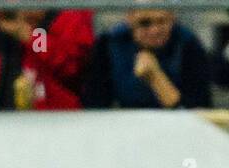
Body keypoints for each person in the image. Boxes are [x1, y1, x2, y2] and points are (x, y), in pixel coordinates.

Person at [82, 7, 213, 109]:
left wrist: (156, 79)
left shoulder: (187, 44)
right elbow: (95, 105)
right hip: (126, 126)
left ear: (172, 18)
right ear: (130, 19)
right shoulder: (109, 43)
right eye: (145, 23)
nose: (154, 30)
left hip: (176, 128)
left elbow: (200, 112)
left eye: (162, 21)